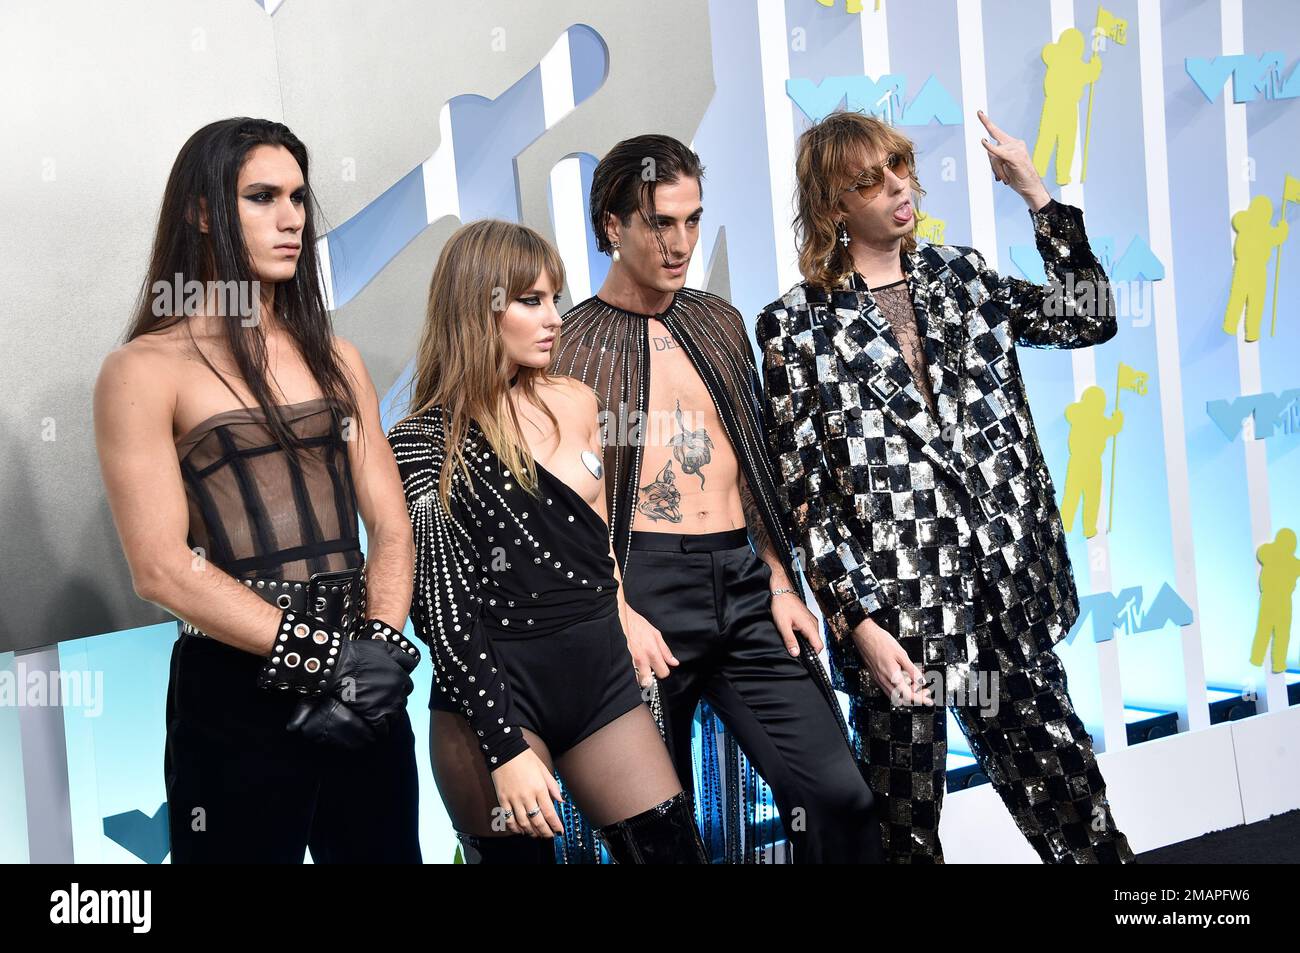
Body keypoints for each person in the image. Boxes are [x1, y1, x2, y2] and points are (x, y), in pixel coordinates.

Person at [755, 107, 1136, 863]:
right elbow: (810, 502)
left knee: (1079, 813)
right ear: (835, 206)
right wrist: (859, 623)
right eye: (872, 180)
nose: (900, 187)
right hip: (899, 622)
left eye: (901, 167)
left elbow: (1089, 320)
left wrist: (1038, 196)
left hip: (1006, 601)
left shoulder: (963, 275)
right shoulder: (793, 327)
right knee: (904, 838)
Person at [94, 117, 422, 864]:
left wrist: (376, 655)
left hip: (365, 685)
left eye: (300, 198)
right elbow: (161, 567)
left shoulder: (336, 358)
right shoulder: (142, 370)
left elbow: (393, 528)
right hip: (234, 691)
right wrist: (327, 659)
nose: (291, 219)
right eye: (262, 197)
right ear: (203, 211)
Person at [551, 135, 882, 864]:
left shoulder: (718, 321)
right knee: (660, 833)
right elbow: (566, 508)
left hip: (742, 580)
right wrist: (616, 609)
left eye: (693, 220)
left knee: (840, 796)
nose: (680, 243)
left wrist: (778, 578)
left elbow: (753, 466)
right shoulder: (569, 344)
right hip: (642, 590)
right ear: (613, 225)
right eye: (660, 223)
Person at [387, 218, 709, 864]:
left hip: (602, 683)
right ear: (480, 310)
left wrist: (625, 615)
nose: (555, 317)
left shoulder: (578, 401)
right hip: (493, 698)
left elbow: (598, 546)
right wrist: (503, 746)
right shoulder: (421, 444)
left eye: (555, 298)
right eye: (532, 301)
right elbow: (445, 617)